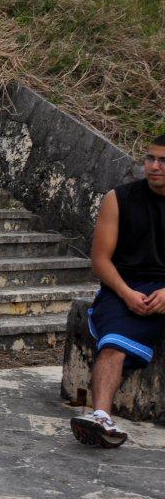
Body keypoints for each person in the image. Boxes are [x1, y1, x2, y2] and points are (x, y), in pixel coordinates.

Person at [70, 135, 165, 448]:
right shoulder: (119, 198)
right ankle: (101, 417)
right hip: (124, 286)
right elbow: (100, 260)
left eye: (163, 161)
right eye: (150, 158)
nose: (154, 166)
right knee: (113, 344)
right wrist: (125, 293)